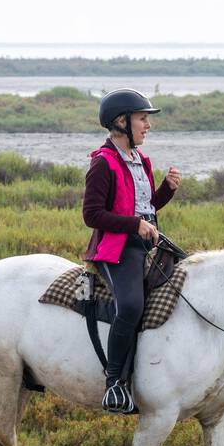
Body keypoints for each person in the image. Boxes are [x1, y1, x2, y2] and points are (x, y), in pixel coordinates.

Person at [81, 88, 182, 413]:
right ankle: (114, 383)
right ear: (121, 122)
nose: (147, 125)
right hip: (116, 250)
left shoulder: (141, 160)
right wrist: (134, 224)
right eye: (142, 119)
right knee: (131, 305)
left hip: (145, 244)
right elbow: (92, 215)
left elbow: (146, 207)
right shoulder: (103, 164)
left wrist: (166, 190)